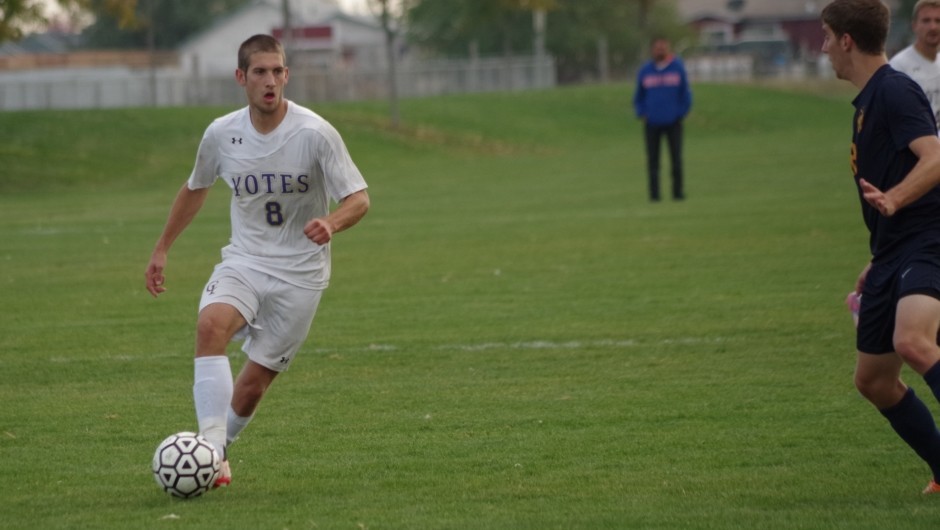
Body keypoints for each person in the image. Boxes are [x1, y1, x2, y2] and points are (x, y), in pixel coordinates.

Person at [144, 34, 370, 488]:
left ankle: (217, 449)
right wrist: (162, 247)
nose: (271, 81)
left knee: (252, 388)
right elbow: (195, 187)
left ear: (287, 75)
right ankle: (210, 456)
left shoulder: (315, 132)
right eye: (261, 72)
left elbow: (359, 198)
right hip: (245, 260)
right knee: (210, 325)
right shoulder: (221, 133)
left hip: (301, 276)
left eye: (278, 71)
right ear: (241, 77)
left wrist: (332, 223)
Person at [822, 0, 940, 494]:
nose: (823, 47)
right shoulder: (869, 101)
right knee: (872, 380)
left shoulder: (893, 90)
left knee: (913, 341)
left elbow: (934, 158)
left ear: (846, 40)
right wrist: (876, 257)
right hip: (892, 250)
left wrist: (893, 199)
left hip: (927, 239)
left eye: (827, 37)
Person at [632, 37, 692, 202]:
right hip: (652, 123)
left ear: (668, 49)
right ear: (652, 50)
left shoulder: (677, 68)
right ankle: (654, 195)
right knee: (653, 161)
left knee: (676, 159)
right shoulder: (646, 71)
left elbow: (686, 93)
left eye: (663, 48)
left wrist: (681, 112)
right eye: (657, 48)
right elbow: (639, 96)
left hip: (673, 121)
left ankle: (677, 193)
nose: (660, 51)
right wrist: (642, 113)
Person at [889, 0, 940, 129]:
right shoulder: (899, 66)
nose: (933, 27)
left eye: (938, 21)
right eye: (926, 21)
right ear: (914, 26)